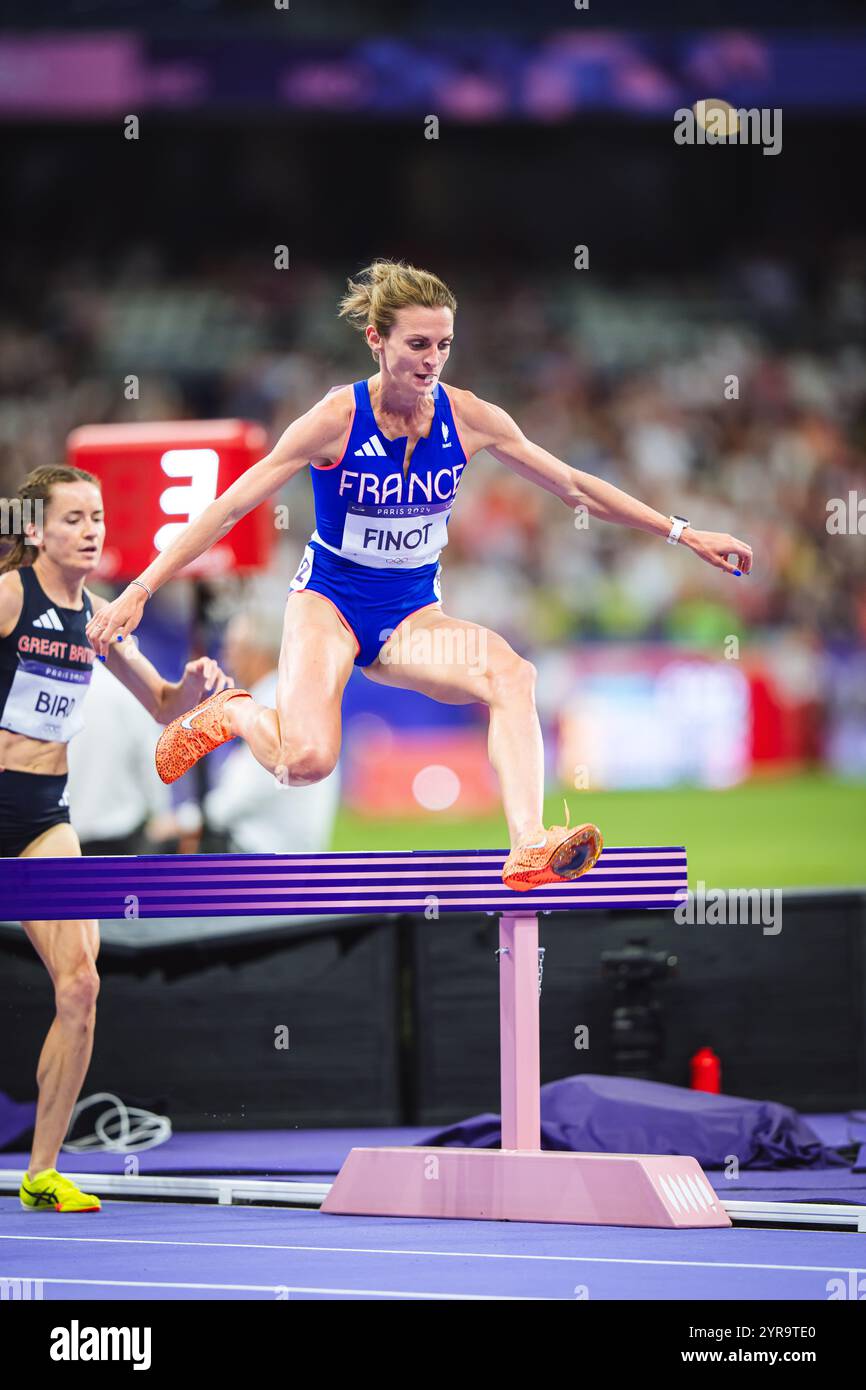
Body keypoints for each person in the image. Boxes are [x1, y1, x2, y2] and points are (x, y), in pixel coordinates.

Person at [87, 259, 753, 892]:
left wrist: (682, 531)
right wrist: (142, 588)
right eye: (417, 344)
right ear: (376, 340)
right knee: (303, 764)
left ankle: (526, 843)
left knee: (512, 674)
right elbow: (231, 505)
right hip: (330, 603)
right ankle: (235, 711)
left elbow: (575, 487)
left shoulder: (469, 418)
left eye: (443, 344)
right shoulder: (335, 419)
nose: (431, 360)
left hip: (410, 616)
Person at [0, 464, 232, 1213]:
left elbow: (166, 707)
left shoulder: (100, 619)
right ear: (35, 528)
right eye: (73, 518)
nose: (91, 530)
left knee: (81, 986)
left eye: (97, 517)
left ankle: (40, 1171)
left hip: (42, 819)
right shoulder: (10, 596)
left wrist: (196, 684)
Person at [178, 606, 340, 854]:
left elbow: (239, 797)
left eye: (232, 650)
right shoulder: (286, 698)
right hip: (287, 854)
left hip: (265, 859)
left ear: (256, 654)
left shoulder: (270, 705)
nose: (227, 660)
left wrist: (179, 822)